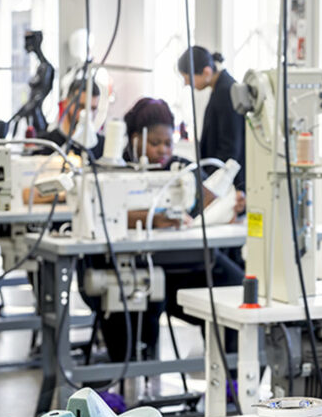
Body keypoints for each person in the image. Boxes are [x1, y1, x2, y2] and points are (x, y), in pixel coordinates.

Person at [98, 97, 246, 365]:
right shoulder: (115, 169)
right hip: (138, 266)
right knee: (139, 302)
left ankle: (231, 375)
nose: (163, 151)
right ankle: (130, 371)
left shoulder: (182, 168)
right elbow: (103, 213)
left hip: (187, 264)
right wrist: (152, 219)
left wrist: (230, 209)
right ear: (135, 139)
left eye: (168, 143)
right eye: (155, 143)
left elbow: (203, 206)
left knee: (237, 289)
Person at [177, 47, 246, 191]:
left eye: (188, 78)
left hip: (227, 183)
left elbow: (229, 148)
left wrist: (212, 185)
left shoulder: (226, 91)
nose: (186, 84)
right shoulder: (219, 89)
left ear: (206, 72)